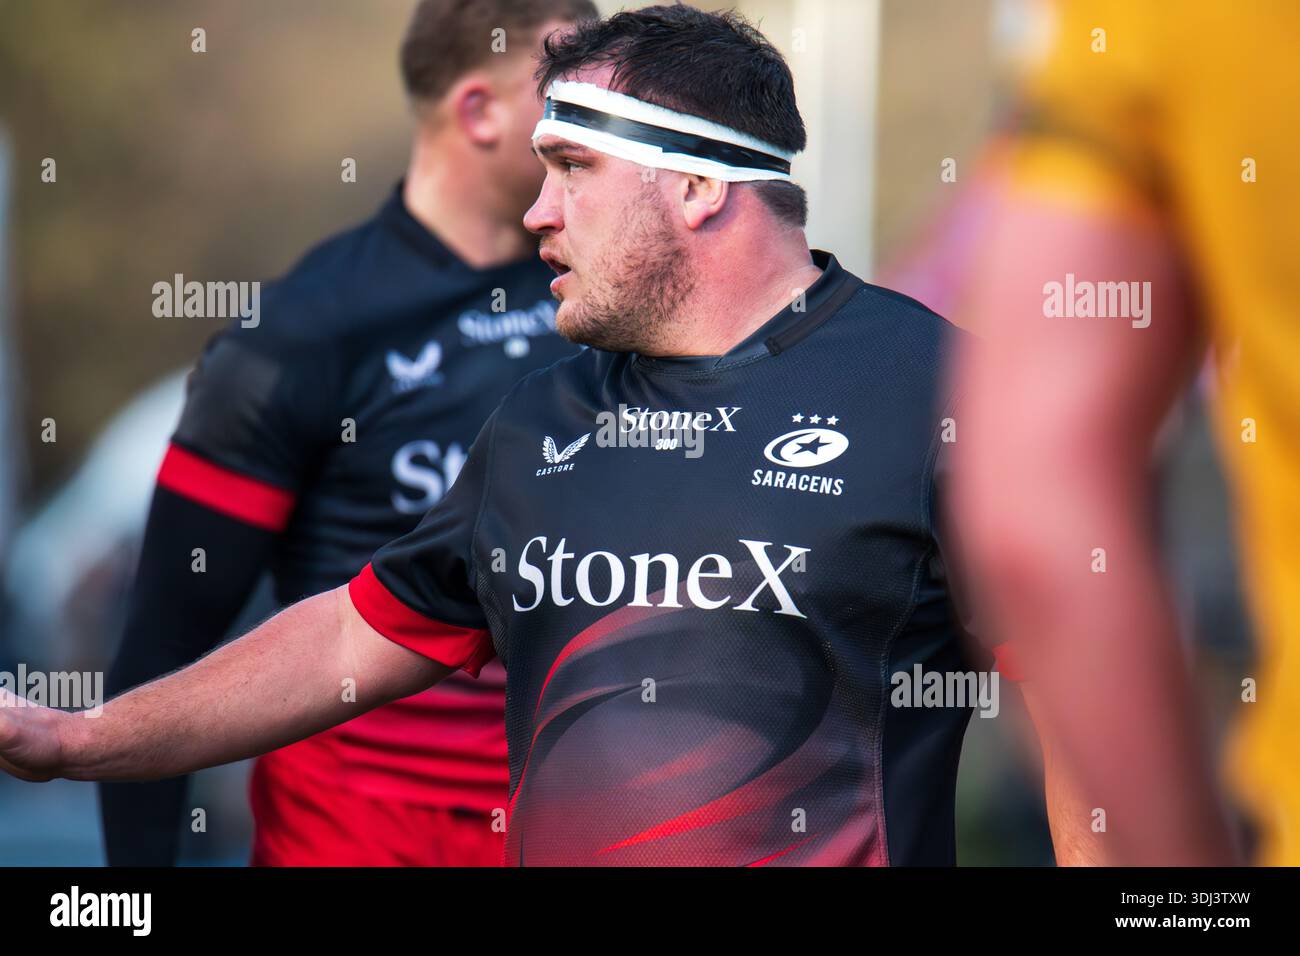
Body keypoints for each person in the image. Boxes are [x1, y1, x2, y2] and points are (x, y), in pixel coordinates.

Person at [7, 5, 1073, 866]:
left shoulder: (941, 392)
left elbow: (1074, 699)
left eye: (573, 169)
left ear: (697, 187)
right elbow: (348, 637)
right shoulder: (541, 418)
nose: (538, 213)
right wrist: (80, 740)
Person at [98, 0, 597, 867]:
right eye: (565, 92)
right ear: (479, 111)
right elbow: (161, 647)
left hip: (575, 825)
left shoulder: (620, 308)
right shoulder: (297, 337)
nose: (597, 120)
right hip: (350, 837)